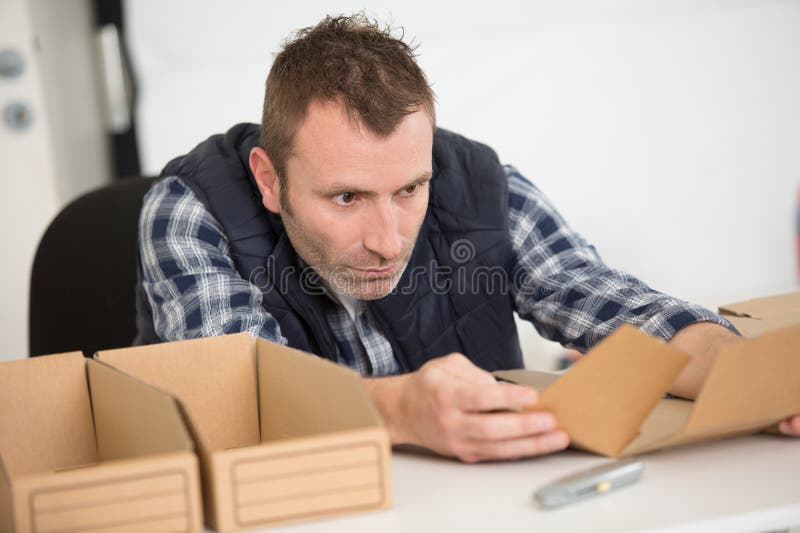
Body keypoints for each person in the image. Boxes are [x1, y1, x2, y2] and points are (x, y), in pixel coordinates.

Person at [134, 14, 800, 463]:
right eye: (346, 197)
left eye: (408, 190)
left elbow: (608, 300)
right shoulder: (190, 213)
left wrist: (745, 374)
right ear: (270, 180)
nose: (388, 238)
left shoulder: (478, 185)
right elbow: (237, 390)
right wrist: (395, 412)